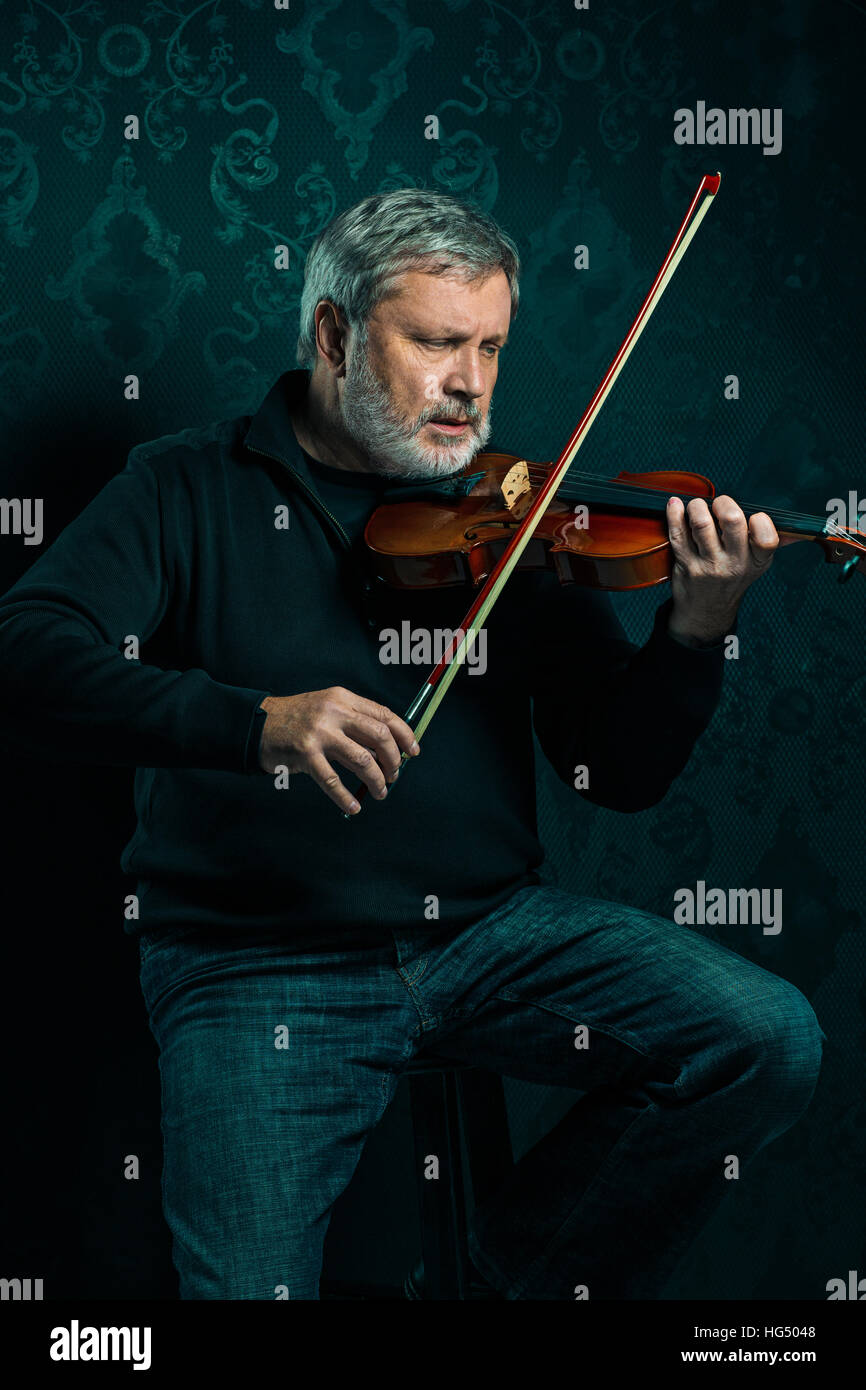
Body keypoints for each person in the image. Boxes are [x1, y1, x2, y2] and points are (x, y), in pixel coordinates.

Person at [0, 188, 824, 1300]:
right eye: (436, 341)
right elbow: (27, 652)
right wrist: (253, 721)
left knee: (763, 1037)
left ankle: (493, 1286)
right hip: (255, 959)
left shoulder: (513, 513)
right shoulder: (184, 485)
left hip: (488, 937)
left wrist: (695, 625)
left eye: (489, 346)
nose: (471, 382)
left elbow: (617, 774)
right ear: (336, 335)